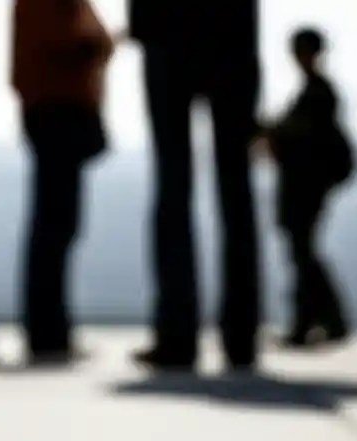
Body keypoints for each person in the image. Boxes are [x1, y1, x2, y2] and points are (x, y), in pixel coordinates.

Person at [129, 0, 262, 372]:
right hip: (232, 36)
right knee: (235, 191)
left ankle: (176, 335)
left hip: (169, 34)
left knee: (174, 187)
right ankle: (241, 338)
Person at [13, 0, 115, 365]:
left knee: (53, 226)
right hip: (60, 112)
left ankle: (48, 328)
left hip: (49, 111)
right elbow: (77, 44)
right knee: (56, 225)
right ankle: (48, 331)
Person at [264, 27, 353, 349]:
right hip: (308, 185)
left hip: (306, 185)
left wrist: (273, 133)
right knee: (304, 252)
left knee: (303, 253)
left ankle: (313, 322)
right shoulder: (317, 91)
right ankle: (324, 319)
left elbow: (301, 135)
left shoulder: (317, 93)